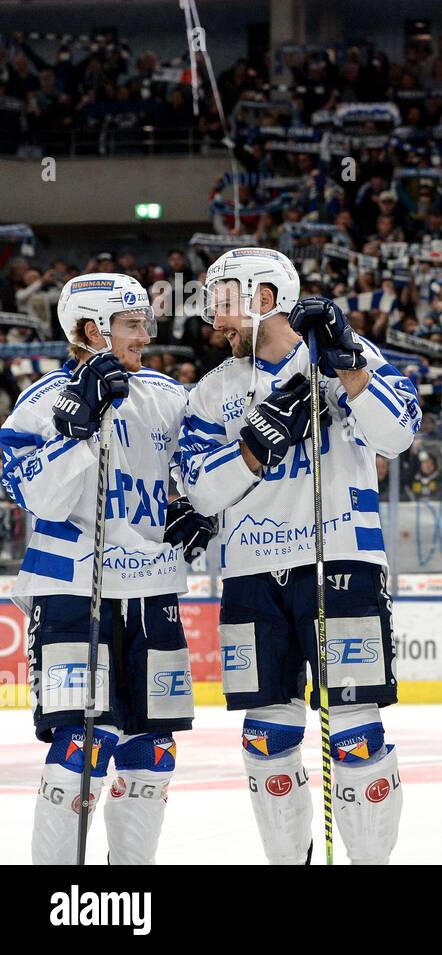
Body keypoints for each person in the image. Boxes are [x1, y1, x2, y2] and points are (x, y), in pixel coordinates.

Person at [179, 248, 419, 864]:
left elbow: (397, 435)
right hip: (250, 575)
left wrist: (350, 371)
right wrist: (253, 447)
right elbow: (201, 489)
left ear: (265, 299)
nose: (213, 319)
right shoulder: (213, 391)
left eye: (224, 301)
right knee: (265, 739)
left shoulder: (344, 353)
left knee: (356, 733)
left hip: (341, 561)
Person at [0, 273, 214, 864]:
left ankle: (129, 888)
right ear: (92, 330)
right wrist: (80, 426)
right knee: (79, 749)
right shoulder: (41, 406)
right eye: (133, 324)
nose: (146, 334)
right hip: (71, 594)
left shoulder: (169, 397)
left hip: (153, 594)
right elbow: (35, 497)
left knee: (152, 752)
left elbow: (212, 471)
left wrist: (203, 512)